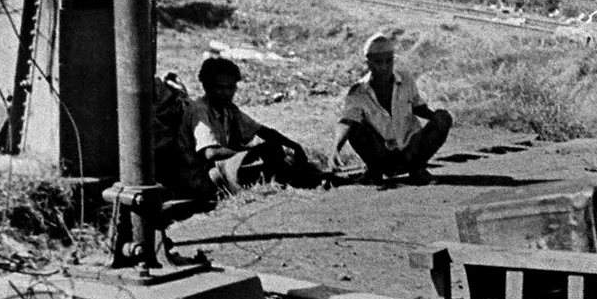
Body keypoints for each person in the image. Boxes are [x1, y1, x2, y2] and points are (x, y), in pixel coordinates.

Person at [179, 56, 325, 200]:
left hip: (220, 167)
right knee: (259, 166)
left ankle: (299, 177)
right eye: (220, 87)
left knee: (274, 151)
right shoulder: (200, 110)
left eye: (230, 87)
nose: (226, 93)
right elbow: (210, 153)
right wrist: (249, 152)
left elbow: (261, 130)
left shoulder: (228, 109)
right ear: (206, 86)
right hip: (198, 175)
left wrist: (293, 145)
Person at [332, 33, 452, 184]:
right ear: (368, 63)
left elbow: (419, 107)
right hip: (382, 154)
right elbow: (347, 121)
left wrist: (437, 121)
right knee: (355, 128)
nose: (384, 67)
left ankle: (418, 170)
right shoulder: (358, 92)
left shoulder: (406, 79)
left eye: (389, 61)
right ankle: (374, 171)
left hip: (411, 150)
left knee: (443, 116)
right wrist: (336, 148)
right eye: (378, 62)